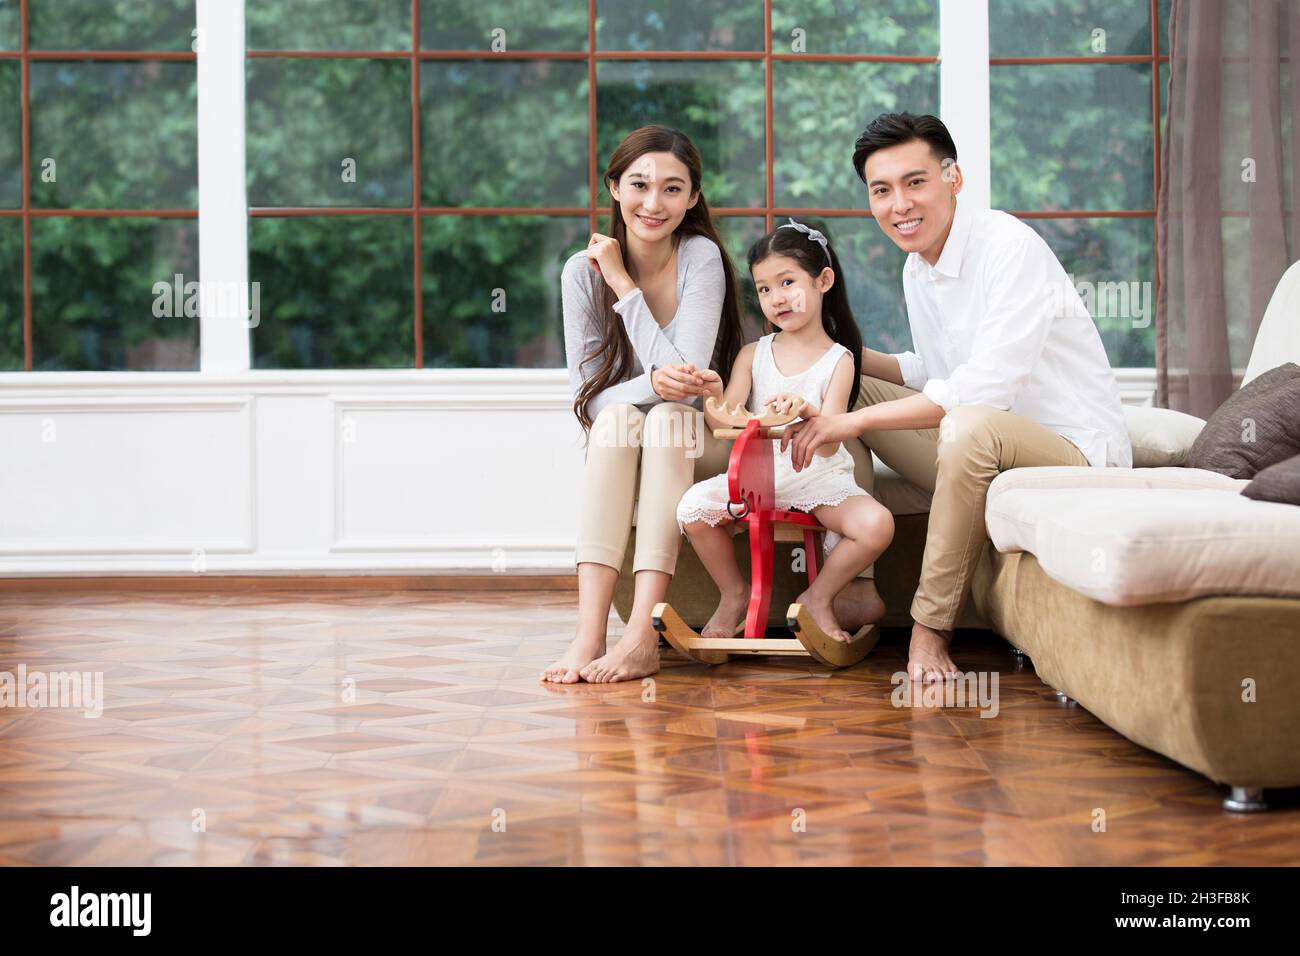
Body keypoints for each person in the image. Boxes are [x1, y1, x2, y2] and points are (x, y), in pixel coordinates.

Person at [782, 112, 1132, 684]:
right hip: (979, 449)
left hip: (1072, 453)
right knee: (846, 381)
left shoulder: (1009, 247)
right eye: (882, 190)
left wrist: (848, 424)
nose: (900, 205)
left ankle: (930, 632)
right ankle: (857, 589)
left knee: (966, 424)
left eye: (915, 182)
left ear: (954, 179)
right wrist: (834, 349)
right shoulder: (917, 267)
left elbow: (981, 389)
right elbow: (933, 371)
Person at [541, 125, 746, 685]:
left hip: (702, 439)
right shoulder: (579, 276)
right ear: (614, 187)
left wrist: (624, 287)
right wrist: (654, 380)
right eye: (639, 184)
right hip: (628, 436)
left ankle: (640, 635)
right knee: (620, 420)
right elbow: (590, 398)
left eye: (674, 189)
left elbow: (686, 378)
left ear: (694, 198)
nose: (654, 203)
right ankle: (589, 633)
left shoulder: (699, 256)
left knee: (669, 417)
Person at [677, 219, 895, 645]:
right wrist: (715, 395)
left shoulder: (839, 360)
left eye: (787, 282)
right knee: (690, 510)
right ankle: (734, 593)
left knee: (876, 525)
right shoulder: (752, 355)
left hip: (818, 476)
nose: (776, 298)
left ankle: (819, 598)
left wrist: (808, 413)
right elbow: (725, 421)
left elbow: (830, 440)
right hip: (760, 477)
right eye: (763, 289)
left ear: (823, 281)